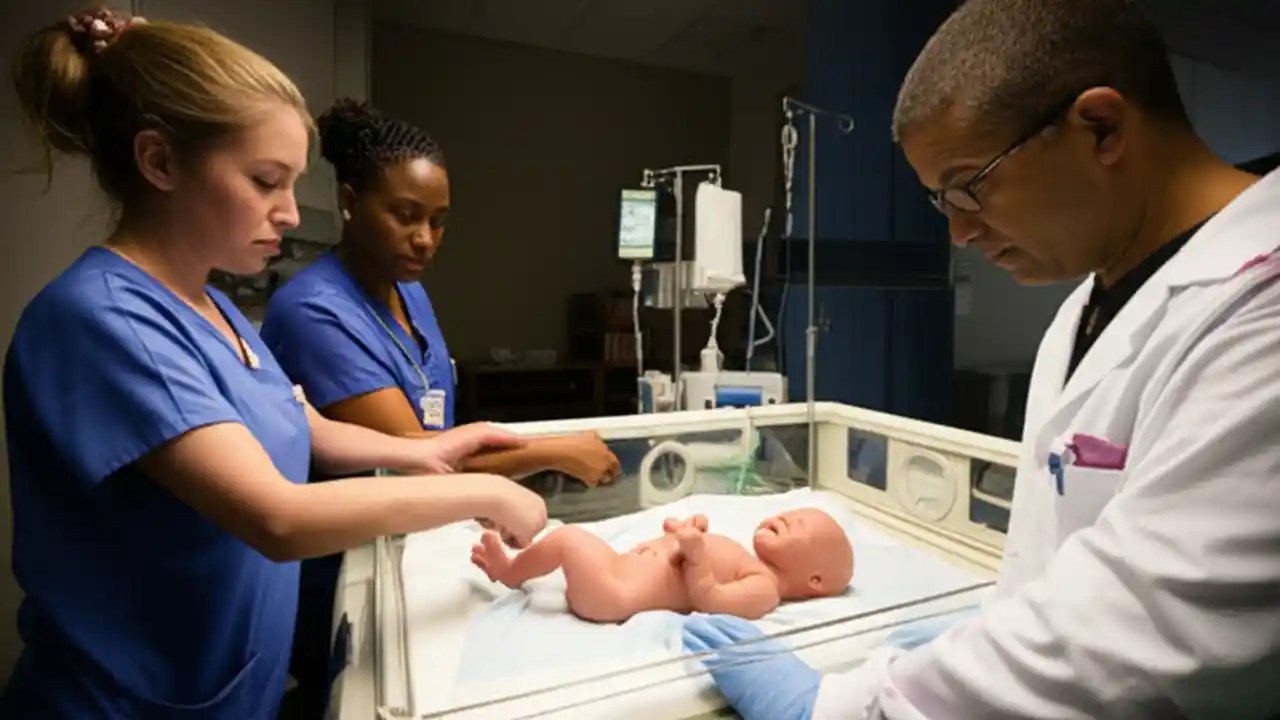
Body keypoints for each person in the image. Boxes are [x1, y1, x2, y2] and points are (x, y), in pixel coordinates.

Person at [681, 0, 1280, 717]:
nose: (961, 231)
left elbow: (1148, 628)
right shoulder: (1088, 306)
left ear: (1102, 127)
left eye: (970, 185)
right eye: (942, 201)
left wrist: (843, 707)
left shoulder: (1259, 314)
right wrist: (997, 626)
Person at [0, 9, 549, 718]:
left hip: (228, 690)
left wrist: (434, 450)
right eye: (266, 181)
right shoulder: (101, 319)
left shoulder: (214, 305)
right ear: (160, 162)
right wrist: (483, 495)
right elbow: (277, 516)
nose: (291, 213)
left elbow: (303, 424)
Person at [257, 99, 622, 717]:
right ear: (349, 201)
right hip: (345, 572)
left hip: (418, 542)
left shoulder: (411, 293)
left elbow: (437, 435)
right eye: (404, 215)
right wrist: (559, 454)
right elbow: (417, 459)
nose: (424, 239)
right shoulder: (315, 311)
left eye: (439, 221)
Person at [469, 509, 853, 622]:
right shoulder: (745, 556)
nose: (784, 516)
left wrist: (696, 555)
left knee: (568, 540)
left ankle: (509, 571)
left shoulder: (765, 588)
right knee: (574, 537)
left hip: (615, 595)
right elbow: (688, 560)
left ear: (814, 580)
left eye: (798, 525)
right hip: (617, 567)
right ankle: (516, 567)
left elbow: (711, 600)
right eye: (788, 513)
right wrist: (688, 533)